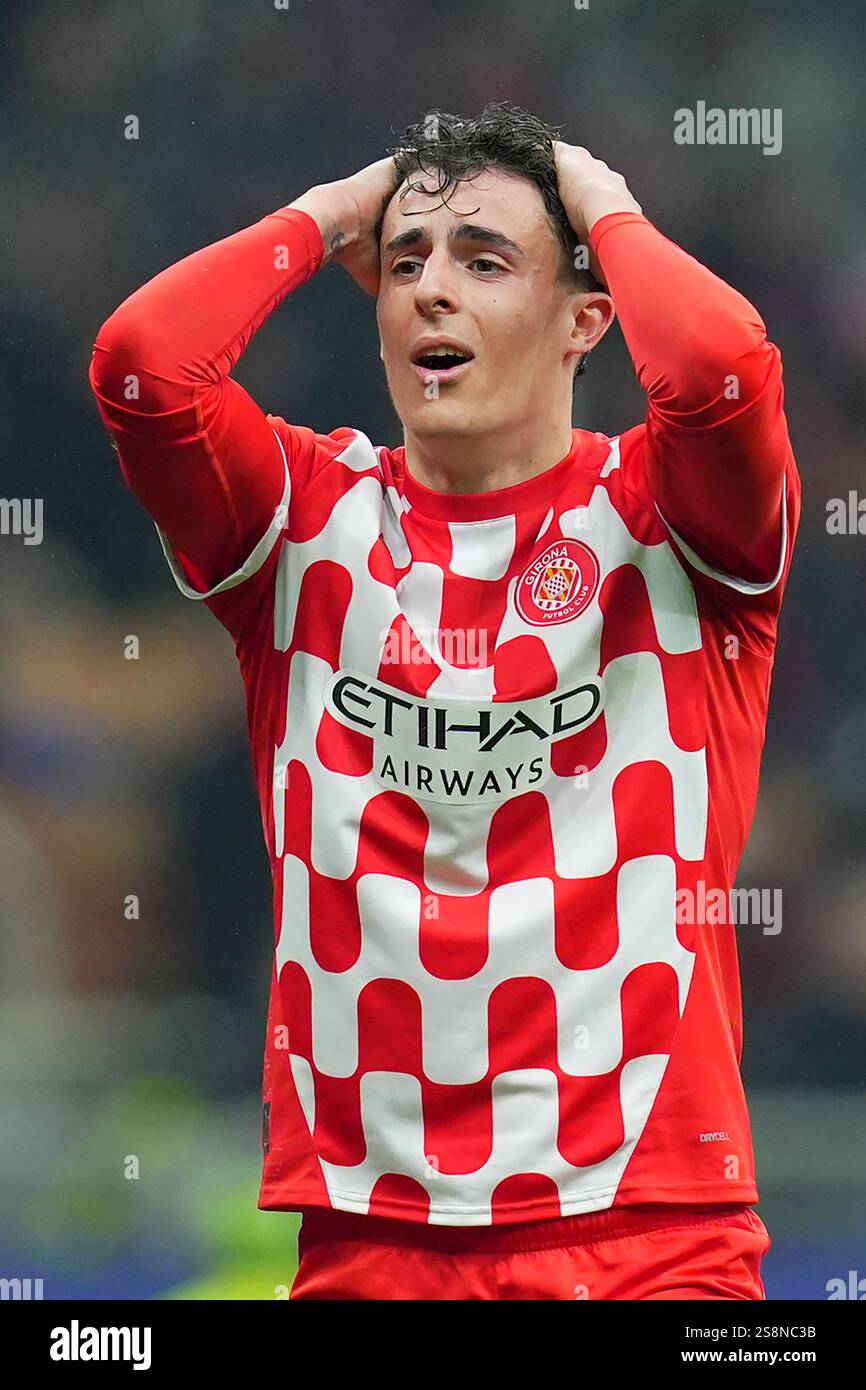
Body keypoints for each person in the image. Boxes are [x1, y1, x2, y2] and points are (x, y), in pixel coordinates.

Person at [89, 101, 800, 1300]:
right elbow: (144, 366)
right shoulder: (302, 522)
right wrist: (331, 214)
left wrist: (594, 193)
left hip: (653, 1231)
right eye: (406, 261)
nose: (430, 289)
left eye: (484, 261)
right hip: (373, 1239)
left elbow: (720, 370)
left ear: (586, 321)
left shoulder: (667, 517)